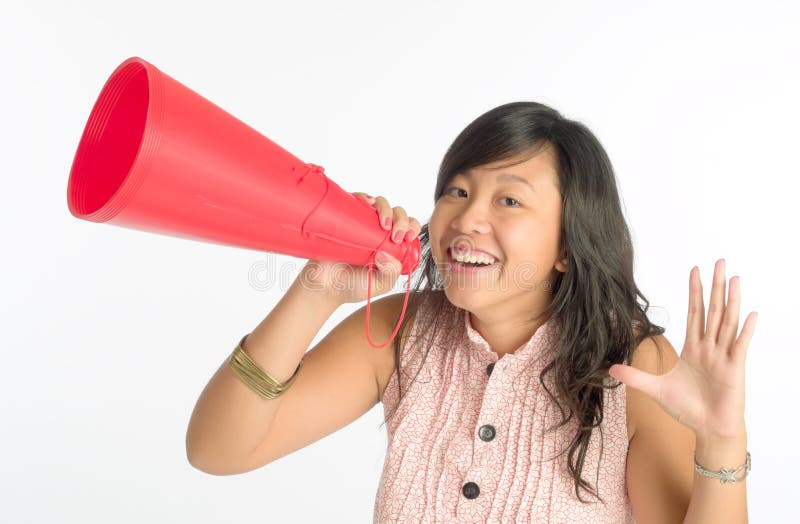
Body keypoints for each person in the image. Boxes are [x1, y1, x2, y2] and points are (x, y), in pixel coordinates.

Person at [185, 101, 755, 522]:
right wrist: (318, 286)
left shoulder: (632, 365)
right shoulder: (402, 329)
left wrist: (722, 443)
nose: (466, 219)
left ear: (566, 245)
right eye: (456, 191)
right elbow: (218, 450)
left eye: (509, 199)